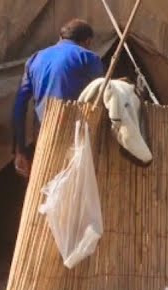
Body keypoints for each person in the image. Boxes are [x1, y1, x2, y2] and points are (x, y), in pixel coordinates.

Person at [11, 18, 104, 176]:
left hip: (42, 136)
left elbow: (19, 107)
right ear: (87, 41)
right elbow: (101, 99)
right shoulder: (89, 58)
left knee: (42, 188)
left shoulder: (35, 59)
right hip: (74, 139)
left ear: (61, 37)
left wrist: (20, 150)